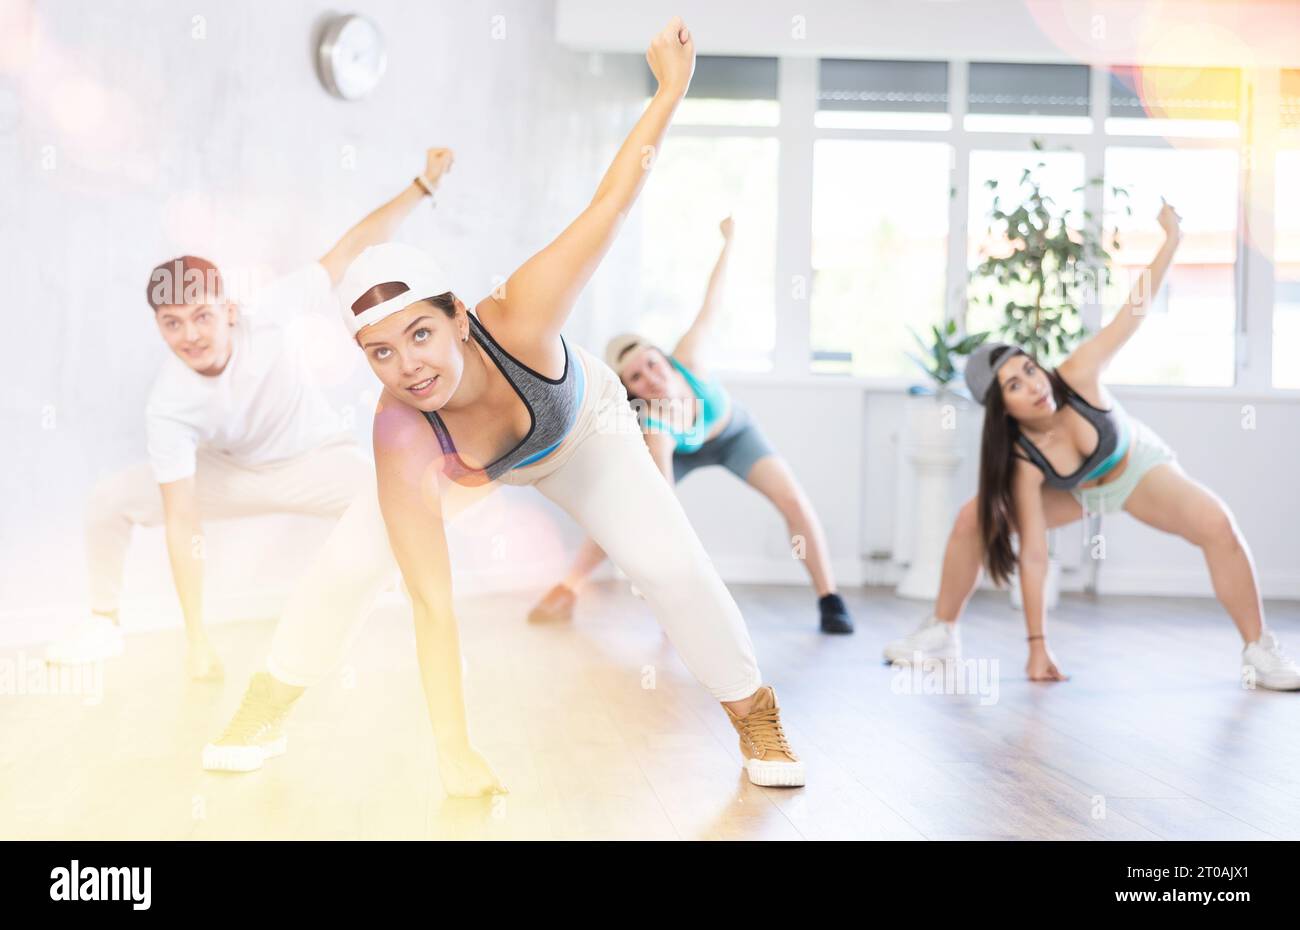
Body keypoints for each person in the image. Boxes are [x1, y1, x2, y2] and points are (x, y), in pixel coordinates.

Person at [204, 18, 805, 794]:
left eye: (419, 334)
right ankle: (265, 705)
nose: (407, 366)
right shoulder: (400, 432)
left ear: (458, 314)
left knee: (667, 561)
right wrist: (454, 750)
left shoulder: (519, 314)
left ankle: (755, 711)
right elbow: (431, 600)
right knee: (348, 564)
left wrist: (671, 92)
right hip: (464, 470)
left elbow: (611, 205)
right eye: (381, 353)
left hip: (581, 433)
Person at [45, 148, 451, 680]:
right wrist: (196, 641)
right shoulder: (168, 404)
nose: (189, 335)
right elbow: (181, 519)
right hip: (234, 475)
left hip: (314, 459)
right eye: (172, 323)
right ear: (159, 327)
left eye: (200, 316)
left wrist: (422, 184)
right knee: (108, 501)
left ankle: (425, 625)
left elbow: (354, 247)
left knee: (401, 499)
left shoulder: (268, 313)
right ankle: (103, 623)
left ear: (228, 311)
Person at [883, 201, 1300, 691]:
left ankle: (1259, 650)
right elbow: (1035, 554)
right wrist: (1038, 647)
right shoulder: (1021, 457)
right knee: (972, 519)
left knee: (1218, 525)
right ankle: (942, 633)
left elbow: (1135, 311)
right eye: (1014, 386)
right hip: (1076, 494)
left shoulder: (1077, 374)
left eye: (1029, 370)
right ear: (1002, 409)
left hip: (1134, 471)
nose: (1033, 385)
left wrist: (1173, 241)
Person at [528, 215, 854, 634]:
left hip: (733, 435)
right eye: (637, 379)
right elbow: (662, 506)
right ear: (632, 392)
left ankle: (831, 599)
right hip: (683, 449)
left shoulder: (691, 357)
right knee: (623, 512)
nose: (651, 377)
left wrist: (729, 243)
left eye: (651, 363)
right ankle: (567, 589)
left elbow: (712, 301)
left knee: (792, 500)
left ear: (663, 357)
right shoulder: (655, 429)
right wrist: (676, 594)